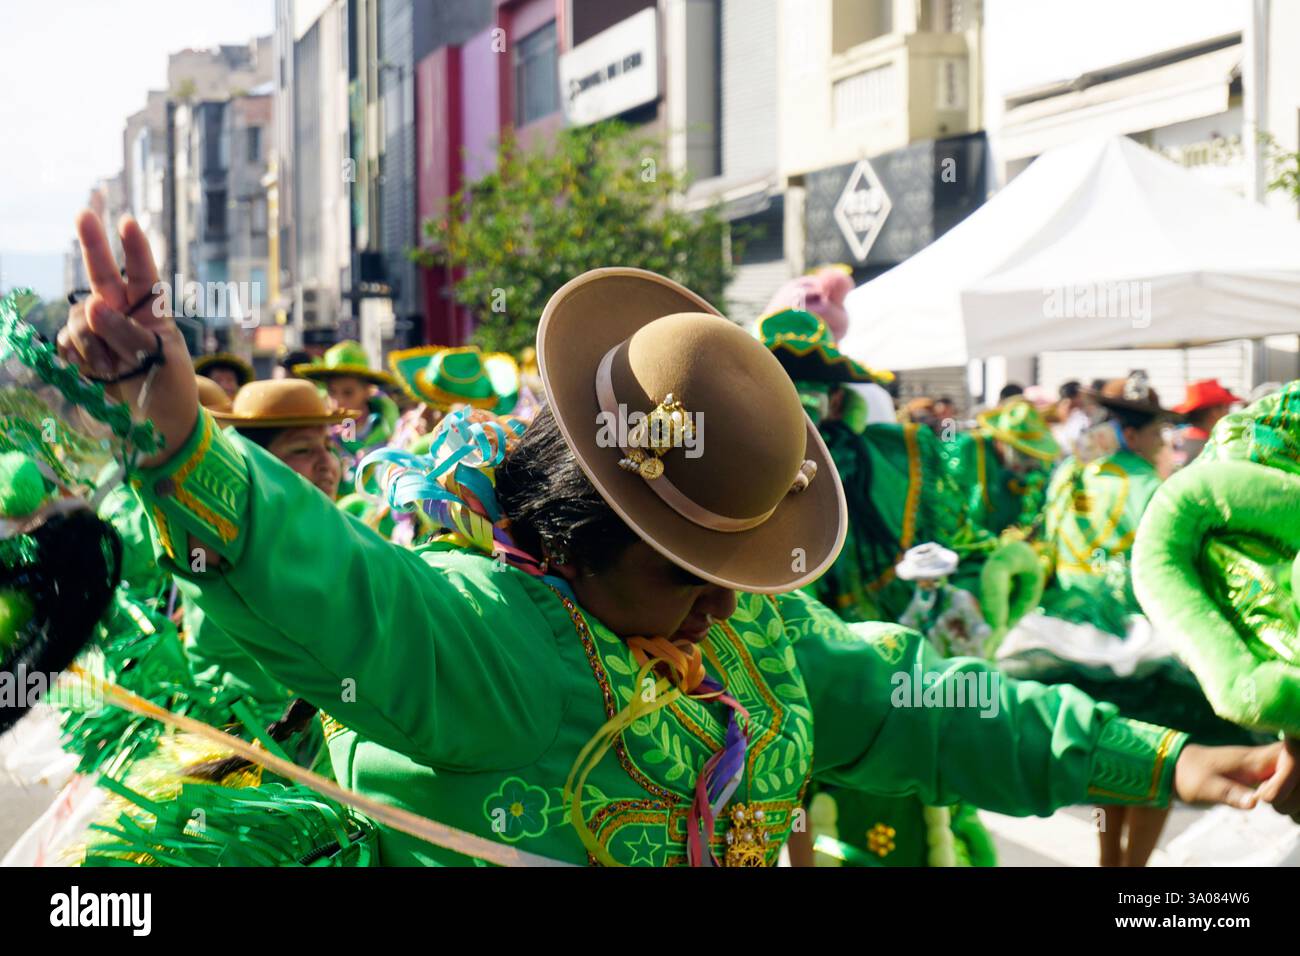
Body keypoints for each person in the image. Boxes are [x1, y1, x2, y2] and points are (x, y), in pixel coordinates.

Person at [51, 213, 1300, 867]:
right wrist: (174, 426)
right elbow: (337, 588)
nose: (717, 611)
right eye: (683, 576)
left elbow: (933, 708)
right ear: (586, 532)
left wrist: (1170, 762)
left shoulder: (759, 637)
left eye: (733, 574)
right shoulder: (492, 640)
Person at [999, 372, 1263, 867]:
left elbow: (1050, 552)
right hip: (1145, 643)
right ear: (1136, 434)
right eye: (1158, 433)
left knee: (1109, 752)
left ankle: (1108, 862)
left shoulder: (1067, 476)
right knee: (1156, 759)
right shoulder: (1153, 486)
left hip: (1069, 638)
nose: (1163, 442)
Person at [294, 340, 400, 495]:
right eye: (332, 392)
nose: (338, 401)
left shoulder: (390, 429)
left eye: (348, 392)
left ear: (367, 390)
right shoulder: (318, 435)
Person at [1171, 379, 1241, 468]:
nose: (1228, 413)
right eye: (1226, 407)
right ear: (1214, 412)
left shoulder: (1177, 438)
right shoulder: (1211, 445)